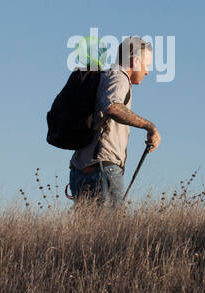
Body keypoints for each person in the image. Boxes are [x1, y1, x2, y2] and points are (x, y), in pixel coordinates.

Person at [68, 36, 161, 206]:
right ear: (136, 60)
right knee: (108, 231)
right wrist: (150, 126)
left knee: (86, 231)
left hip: (80, 169)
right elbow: (113, 107)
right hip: (103, 169)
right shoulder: (118, 77)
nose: (147, 71)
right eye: (147, 65)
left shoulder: (102, 77)